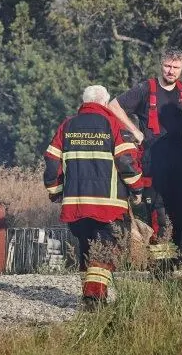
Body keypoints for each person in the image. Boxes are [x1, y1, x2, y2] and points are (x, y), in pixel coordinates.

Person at [108, 49, 182, 258]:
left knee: (179, 214)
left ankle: (174, 258)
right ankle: (161, 267)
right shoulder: (145, 89)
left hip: (179, 161)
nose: (171, 71)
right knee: (159, 214)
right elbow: (113, 106)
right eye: (168, 66)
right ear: (161, 64)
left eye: (176, 67)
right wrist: (135, 131)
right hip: (152, 162)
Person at [44, 85, 145, 309]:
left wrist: (55, 191)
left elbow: (52, 162)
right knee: (105, 250)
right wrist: (137, 188)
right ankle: (94, 300)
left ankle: (90, 296)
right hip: (108, 205)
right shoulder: (113, 125)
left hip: (76, 205)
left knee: (87, 249)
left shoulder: (67, 125)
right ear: (104, 102)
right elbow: (127, 161)